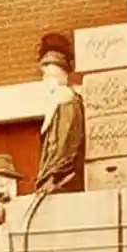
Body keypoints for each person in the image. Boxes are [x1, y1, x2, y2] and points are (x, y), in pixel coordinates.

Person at [34, 32, 85, 194]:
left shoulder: (65, 99)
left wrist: (53, 177)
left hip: (61, 177)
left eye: (46, 75)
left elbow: (64, 146)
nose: (44, 80)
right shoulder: (59, 100)